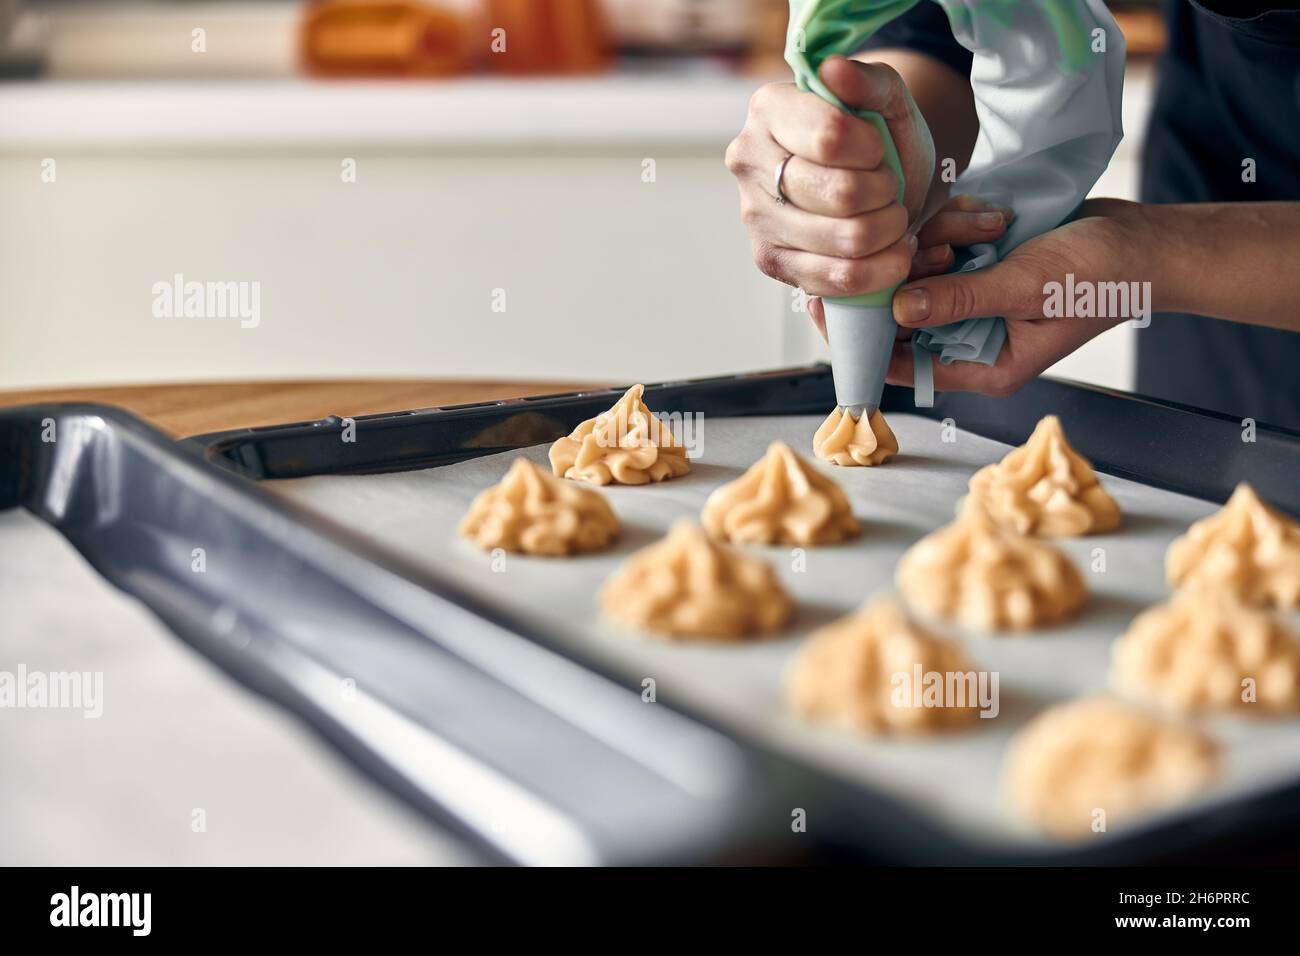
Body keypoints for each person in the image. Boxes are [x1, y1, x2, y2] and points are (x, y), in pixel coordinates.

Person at [725, 1, 1300, 430]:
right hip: (1209, 273)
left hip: (1210, 257)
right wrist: (871, 158)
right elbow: (944, 30)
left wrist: (1155, 256)